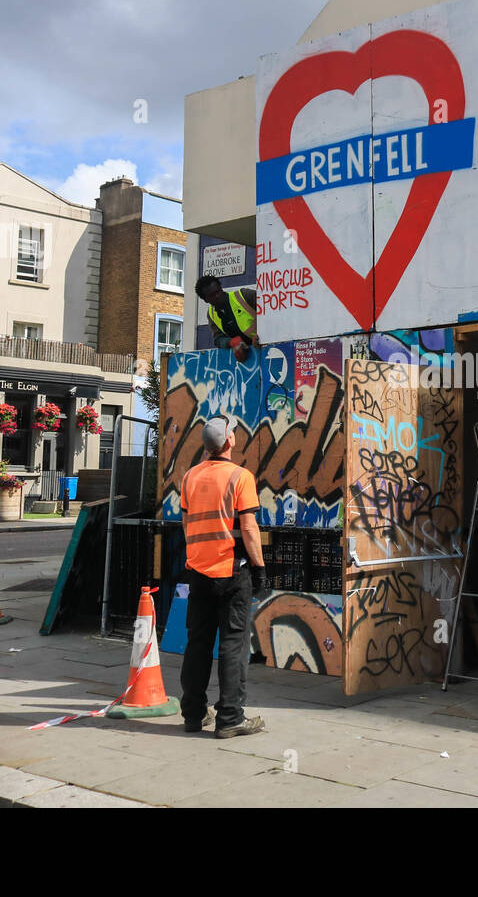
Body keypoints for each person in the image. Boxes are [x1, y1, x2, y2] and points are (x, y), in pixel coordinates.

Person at [179, 416, 267, 738]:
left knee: (197, 644)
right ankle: (230, 718)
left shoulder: (189, 477)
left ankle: (192, 715)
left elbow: (187, 525)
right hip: (232, 571)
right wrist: (259, 569)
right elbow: (248, 527)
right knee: (233, 644)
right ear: (229, 441)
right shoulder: (240, 477)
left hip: (198, 572)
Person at [195, 275, 258, 363]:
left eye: (217, 291)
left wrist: (261, 336)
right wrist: (232, 342)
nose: (217, 296)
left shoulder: (245, 296)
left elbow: (271, 313)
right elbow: (218, 339)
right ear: (205, 300)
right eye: (211, 295)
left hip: (268, 348)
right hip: (248, 358)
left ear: (221, 288)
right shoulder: (211, 314)